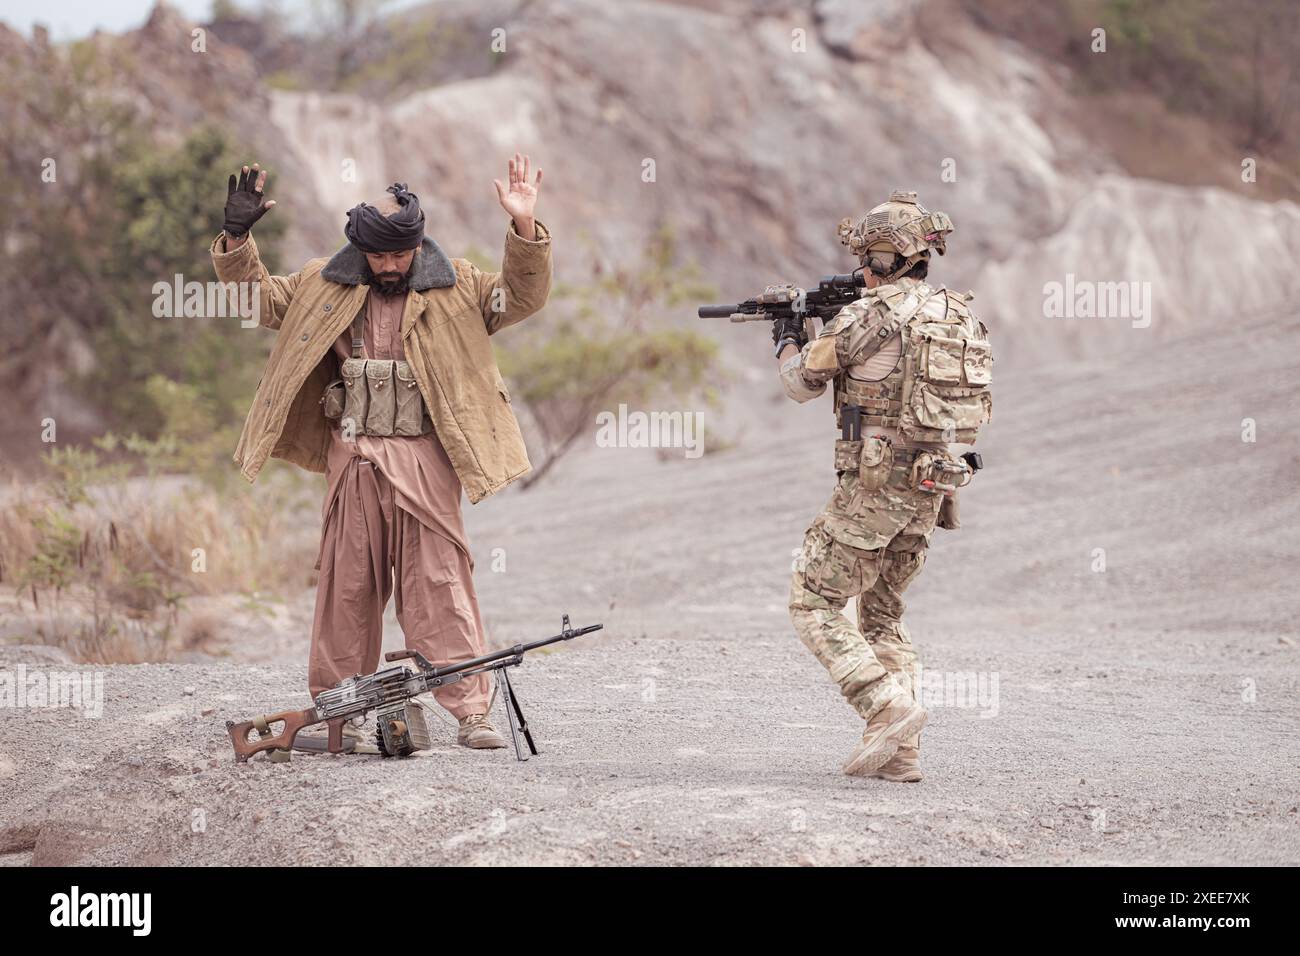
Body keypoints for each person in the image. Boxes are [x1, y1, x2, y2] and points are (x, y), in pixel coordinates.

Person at [211, 155, 551, 752]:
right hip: (355, 457)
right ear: (361, 250)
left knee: (439, 585)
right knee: (348, 586)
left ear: (418, 246)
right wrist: (237, 240)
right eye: (379, 257)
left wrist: (524, 228)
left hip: (426, 457)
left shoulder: (459, 285)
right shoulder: (322, 283)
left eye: (400, 255)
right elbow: (259, 302)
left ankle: (472, 713)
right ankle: (343, 712)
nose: (390, 266)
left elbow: (519, 297)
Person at [776, 191, 993, 781]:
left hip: (874, 487)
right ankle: (901, 755)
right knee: (883, 618)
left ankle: (885, 706)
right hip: (932, 487)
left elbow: (800, 384)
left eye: (866, 256)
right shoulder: (959, 314)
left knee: (814, 600)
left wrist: (789, 339)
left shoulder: (869, 316)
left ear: (881, 253)